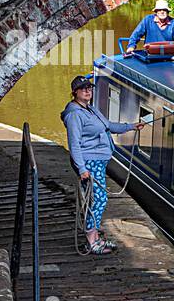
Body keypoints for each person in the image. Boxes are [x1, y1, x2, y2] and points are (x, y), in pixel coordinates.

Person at [61, 75, 144, 254]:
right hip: (90, 162)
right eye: (83, 89)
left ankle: (95, 235)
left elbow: (108, 126)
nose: (87, 91)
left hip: (98, 160)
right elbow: (74, 144)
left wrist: (131, 126)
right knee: (99, 199)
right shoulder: (74, 114)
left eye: (89, 88)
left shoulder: (90, 109)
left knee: (94, 199)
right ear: (74, 92)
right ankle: (92, 241)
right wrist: (82, 169)